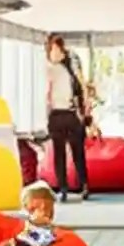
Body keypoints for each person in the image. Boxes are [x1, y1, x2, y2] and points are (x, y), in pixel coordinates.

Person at [45, 34, 90, 203]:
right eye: (50, 50)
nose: (53, 53)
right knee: (59, 154)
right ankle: (62, 188)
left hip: (71, 113)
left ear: (61, 49)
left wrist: (85, 110)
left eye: (56, 49)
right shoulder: (48, 68)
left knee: (78, 152)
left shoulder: (71, 64)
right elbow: (46, 92)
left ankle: (84, 184)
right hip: (56, 114)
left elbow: (82, 86)